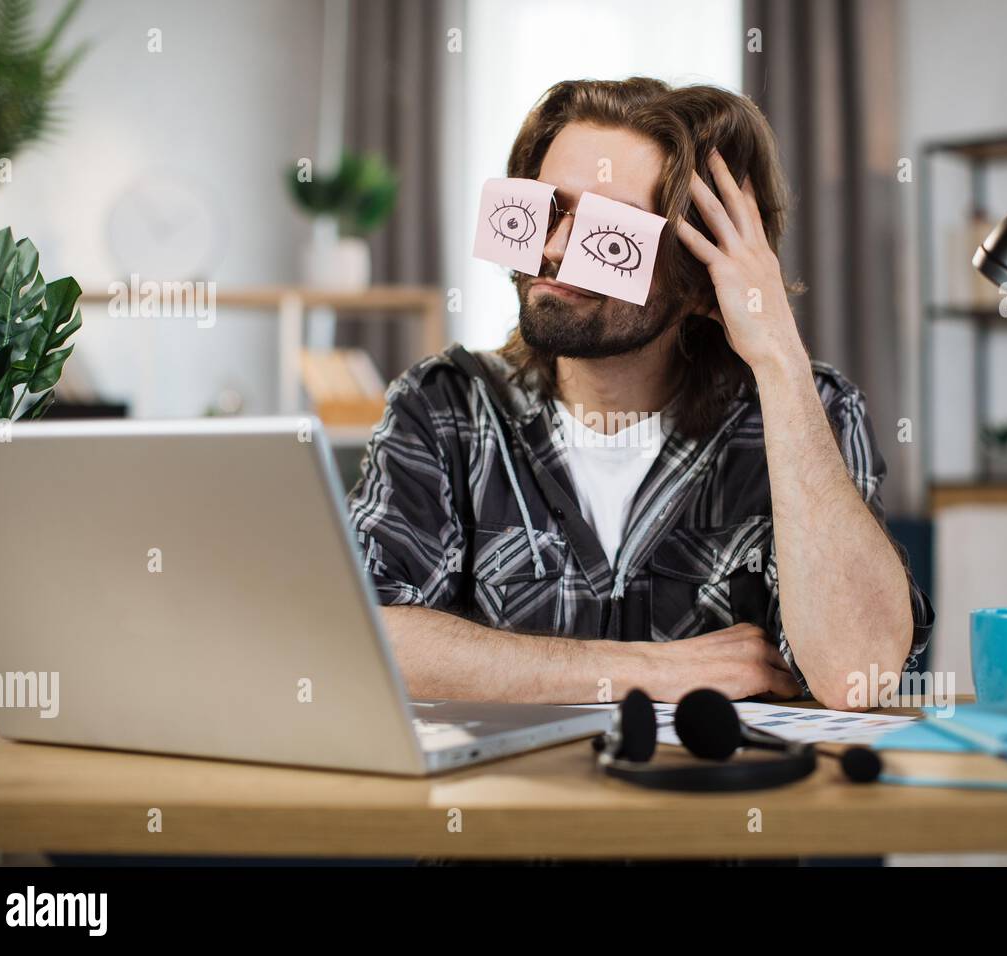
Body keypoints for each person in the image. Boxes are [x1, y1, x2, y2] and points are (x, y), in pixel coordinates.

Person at [348, 77, 932, 708]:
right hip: (513, 805)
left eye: (610, 231)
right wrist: (649, 670)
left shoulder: (809, 410)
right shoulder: (444, 407)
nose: (552, 249)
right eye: (545, 210)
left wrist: (778, 358)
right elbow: (362, 641)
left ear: (700, 277)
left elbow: (858, 673)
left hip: (719, 805)